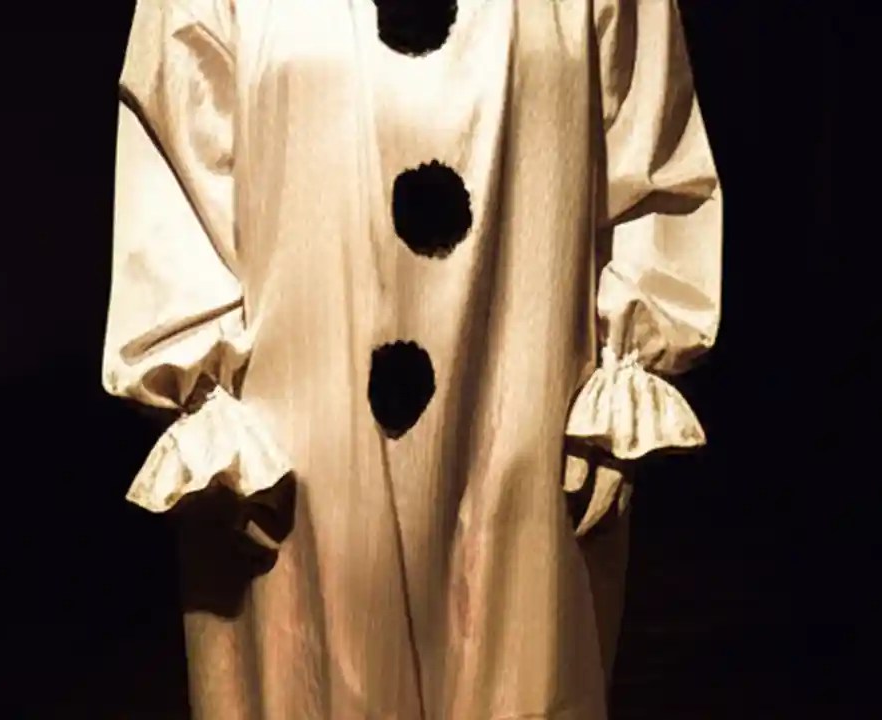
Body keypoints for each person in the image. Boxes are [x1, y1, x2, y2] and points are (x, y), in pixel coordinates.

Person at [101, 0, 722, 717]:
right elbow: (174, 160)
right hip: (294, 458)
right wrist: (202, 393)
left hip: (524, 426)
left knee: (521, 669)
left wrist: (628, 369)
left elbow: (651, 153)